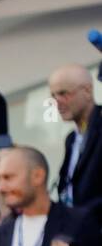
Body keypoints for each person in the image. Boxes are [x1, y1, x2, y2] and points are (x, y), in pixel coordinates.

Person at [49, 62, 101, 217]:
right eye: (53, 95)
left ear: (87, 90)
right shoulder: (71, 139)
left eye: (64, 93)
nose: (57, 102)